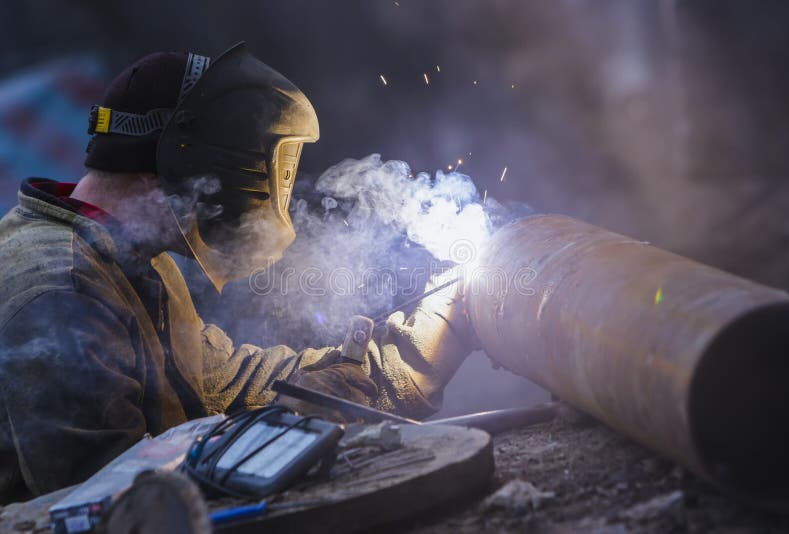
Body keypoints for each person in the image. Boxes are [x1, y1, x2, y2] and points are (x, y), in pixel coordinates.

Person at [0, 43, 474, 503]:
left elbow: (224, 385)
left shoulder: (134, 258)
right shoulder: (61, 292)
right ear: (174, 170)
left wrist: (405, 357)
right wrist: (284, 425)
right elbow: (118, 502)